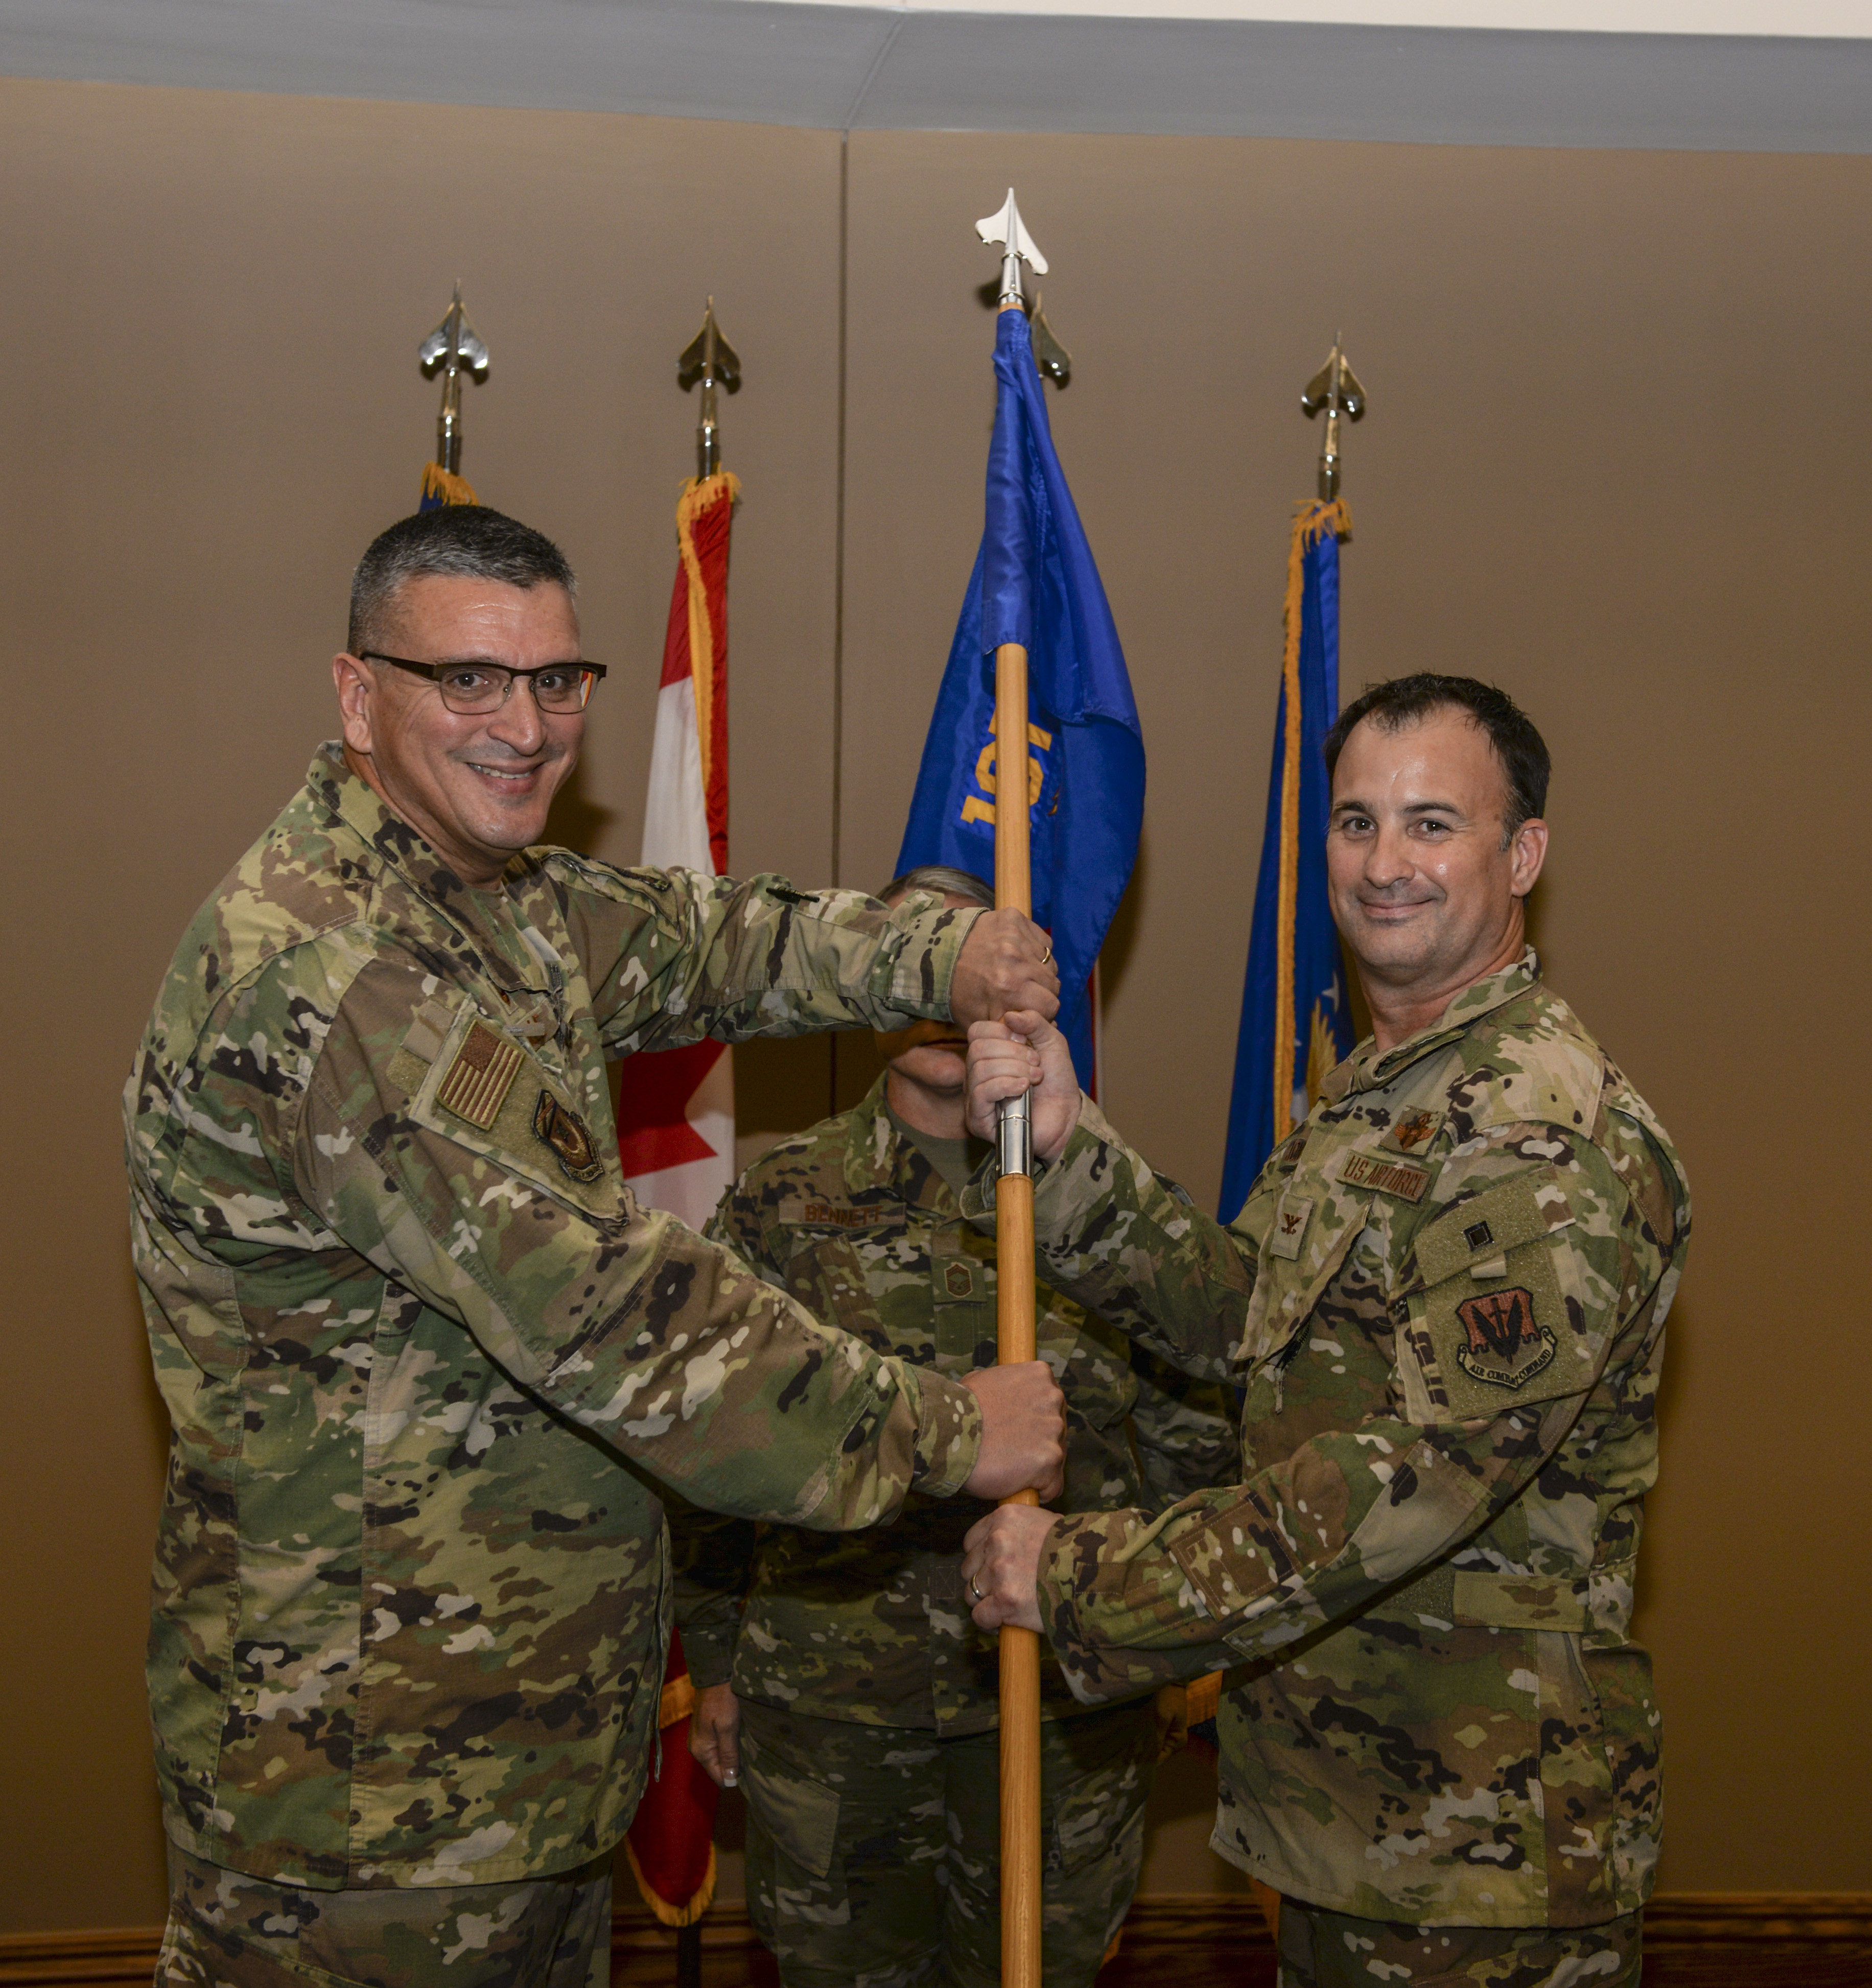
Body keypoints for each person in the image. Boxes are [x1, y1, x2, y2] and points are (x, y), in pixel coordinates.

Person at [127, 506, 1069, 1988]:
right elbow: (624, 1321)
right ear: (359, 694)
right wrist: (953, 1429)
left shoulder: (494, 902)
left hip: (508, 1766)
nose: (526, 726)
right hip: (368, 1807)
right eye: (470, 680)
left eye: (558, 681)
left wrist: (936, 952)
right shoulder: (336, 971)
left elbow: (707, 940)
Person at [960, 676, 1691, 1988]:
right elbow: (1253, 1318)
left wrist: (1081, 1579)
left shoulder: (1531, 1129)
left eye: (1429, 823)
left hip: (1477, 1846)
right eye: (1355, 823)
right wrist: (1067, 1148)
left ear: (1519, 852)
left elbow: (1407, 1477)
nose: (1382, 863)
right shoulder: (1385, 1096)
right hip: (1353, 1812)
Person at [672, 864, 1238, 1988]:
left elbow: (1187, 1422)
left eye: (973, 971)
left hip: (1061, 1699)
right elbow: (711, 1451)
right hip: (832, 1703)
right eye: (921, 970)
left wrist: (1177, 1639)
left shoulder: (1089, 1192)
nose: (949, 1009)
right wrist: (712, 1661)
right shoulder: (780, 1200)